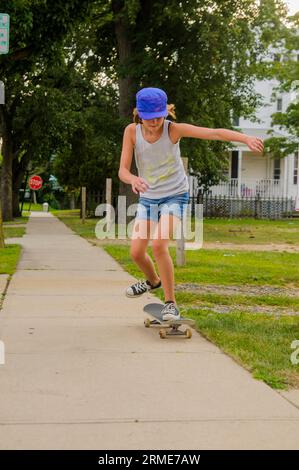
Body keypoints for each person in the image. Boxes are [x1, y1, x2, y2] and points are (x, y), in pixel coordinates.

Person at [118, 87, 263, 320]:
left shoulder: (173, 130)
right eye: (149, 118)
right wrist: (133, 178)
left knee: (158, 245)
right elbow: (123, 171)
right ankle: (153, 281)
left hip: (175, 194)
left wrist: (244, 138)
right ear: (139, 114)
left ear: (165, 112)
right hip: (148, 197)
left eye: (159, 116)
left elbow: (214, 133)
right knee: (136, 252)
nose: (155, 122)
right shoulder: (131, 132)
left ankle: (170, 303)